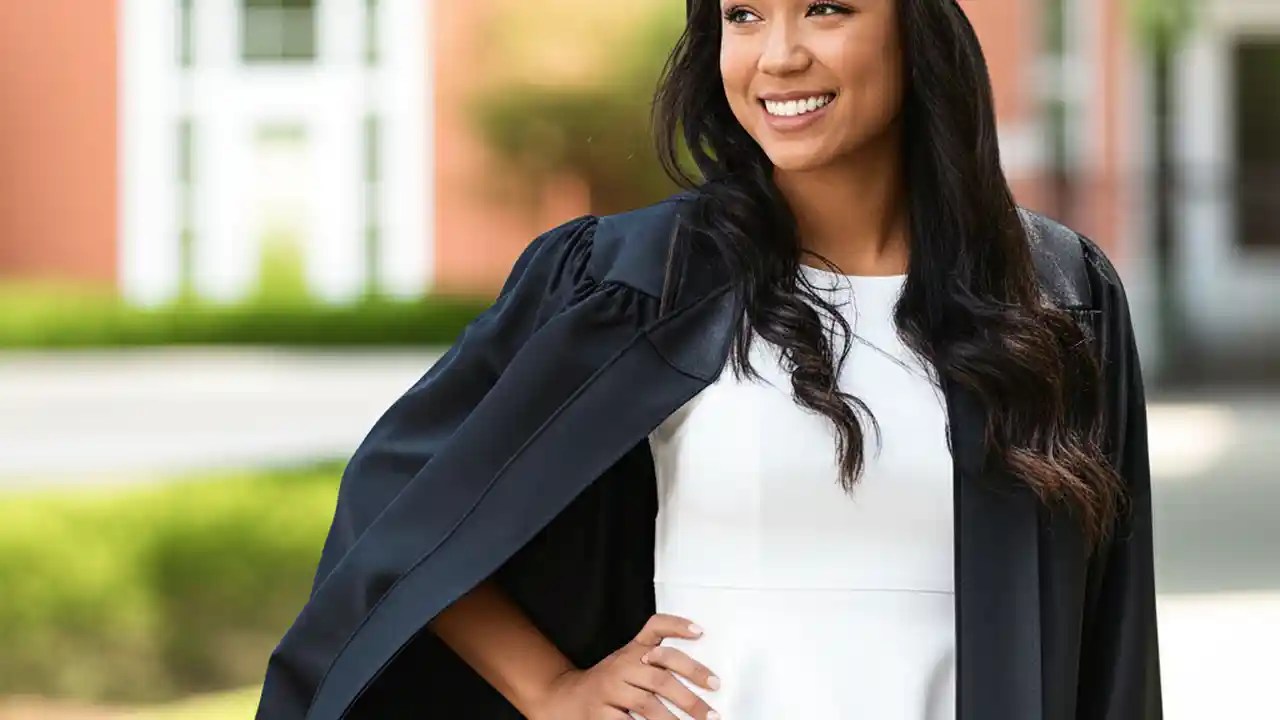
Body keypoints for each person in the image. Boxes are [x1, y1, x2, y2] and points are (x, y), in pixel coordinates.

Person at [256, 0, 1162, 718]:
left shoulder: (1052, 296)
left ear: (918, 30)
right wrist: (550, 690)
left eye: (827, 8)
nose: (777, 57)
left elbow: (1112, 630)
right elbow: (406, 507)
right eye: (742, 15)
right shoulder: (636, 281)